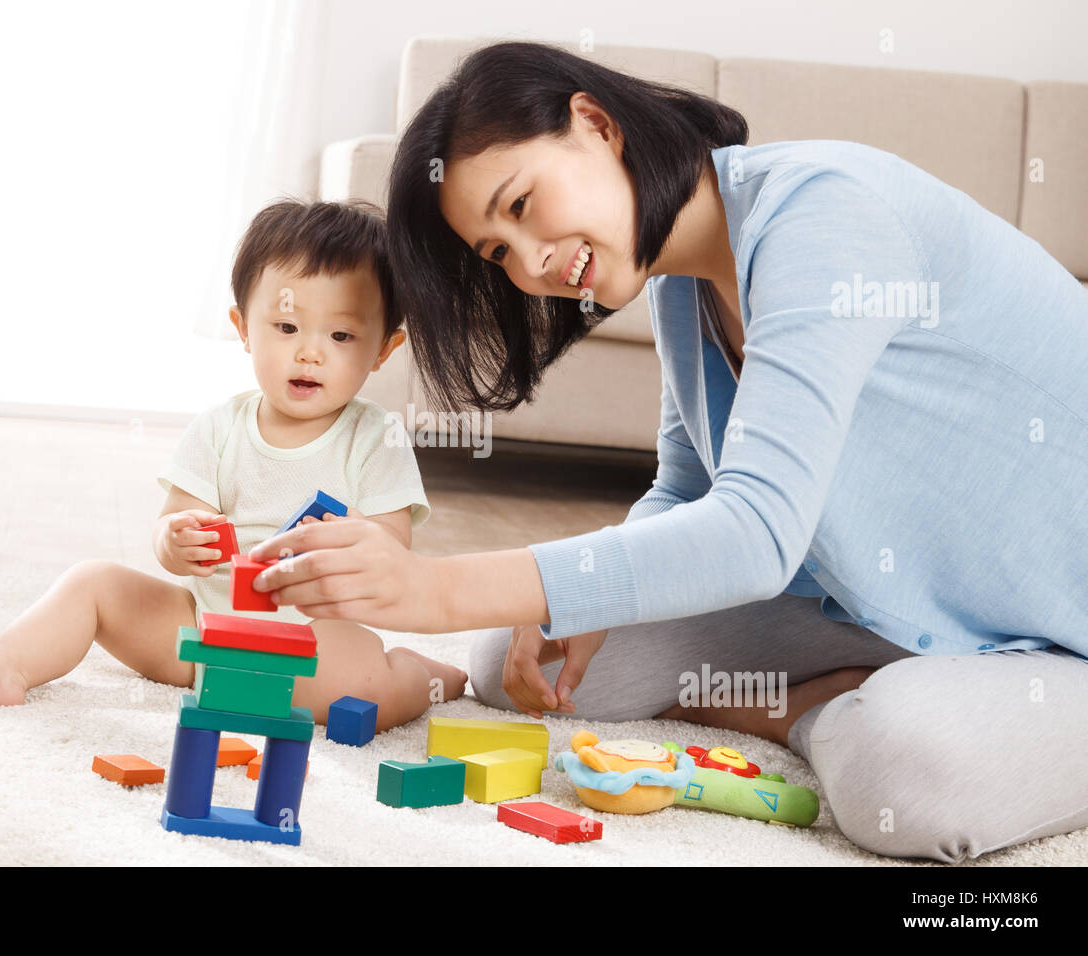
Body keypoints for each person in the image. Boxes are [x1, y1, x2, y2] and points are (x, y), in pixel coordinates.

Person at [244, 42, 1088, 862]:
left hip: (1064, 627)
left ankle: (808, 709)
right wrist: (589, 599)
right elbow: (686, 487)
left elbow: (756, 531)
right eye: (498, 252)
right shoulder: (686, 280)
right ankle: (873, 683)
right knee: (516, 661)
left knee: (900, 769)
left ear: (595, 125)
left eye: (524, 204)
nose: (534, 263)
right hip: (904, 599)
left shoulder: (826, 213)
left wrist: (433, 587)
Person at [0, 198, 467, 730]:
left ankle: (420, 674)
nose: (309, 352)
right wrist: (175, 541)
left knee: (368, 689)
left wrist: (346, 542)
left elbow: (394, 550)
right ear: (244, 327)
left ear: (382, 350)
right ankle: (6, 663)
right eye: (287, 327)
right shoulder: (220, 427)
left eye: (341, 335)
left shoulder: (376, 437)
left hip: (307, 643)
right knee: (92, 583)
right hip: (202, 631)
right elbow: (176, 527)